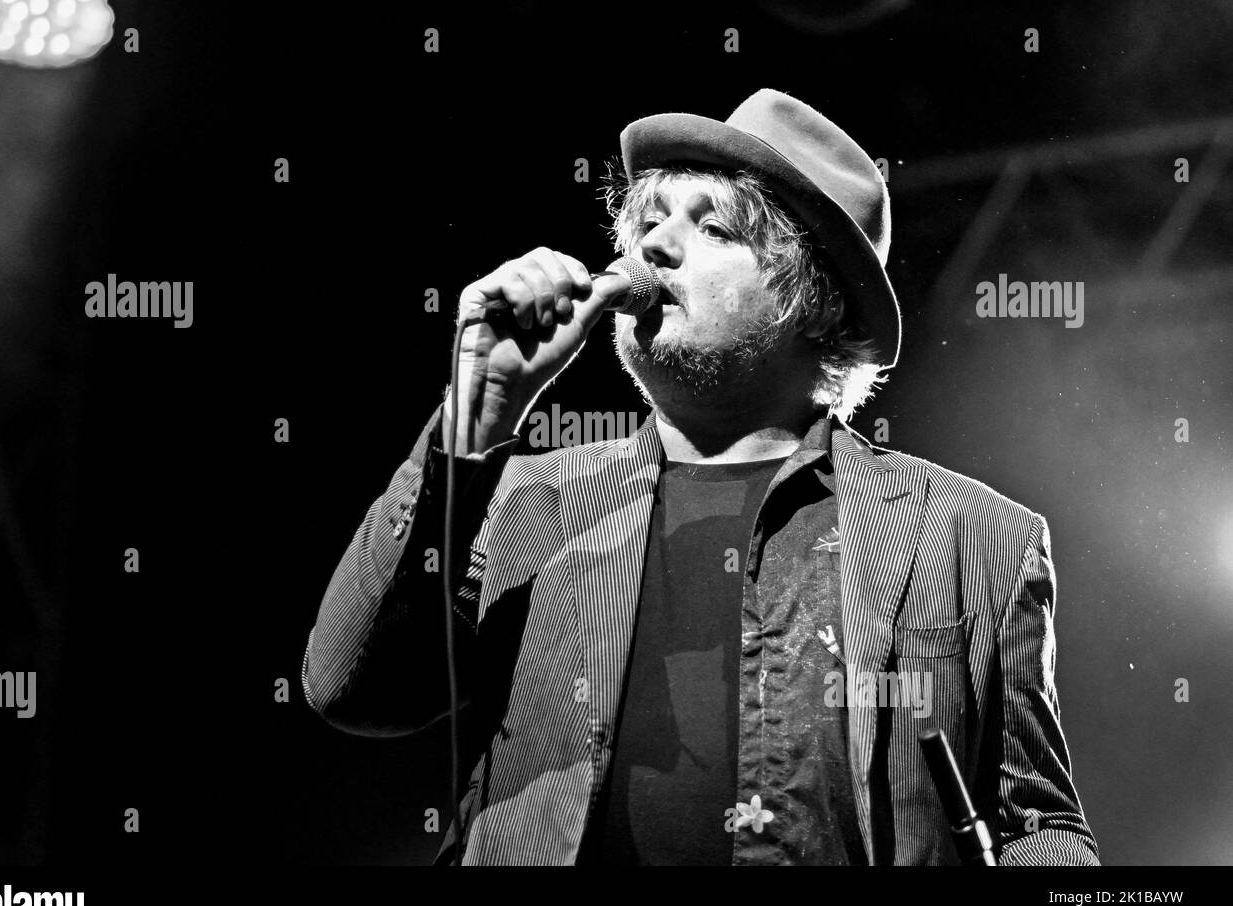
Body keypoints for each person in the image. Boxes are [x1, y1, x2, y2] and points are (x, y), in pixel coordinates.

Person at [301, 89, 1100, 866]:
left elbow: (1040, 829)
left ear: (818, 300)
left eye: (712, 227)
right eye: (649, 222)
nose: (652, 248)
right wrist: (477, 416)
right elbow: (348, 687)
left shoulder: (974, 534)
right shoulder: (520, 500)